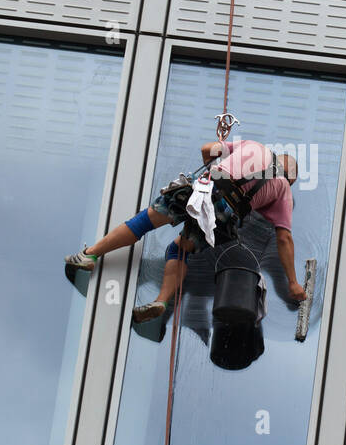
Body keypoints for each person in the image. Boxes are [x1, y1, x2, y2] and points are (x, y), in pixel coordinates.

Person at [65, 139, 307, 324]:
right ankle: (161, 301)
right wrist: (293, 283)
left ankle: (90, 255)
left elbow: (206, 150)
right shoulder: (283, 188)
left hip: (205, 187)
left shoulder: (253, 146)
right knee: (179, 249)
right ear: (291, 177)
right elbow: (284, 237)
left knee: (145, 221)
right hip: (224, 215)